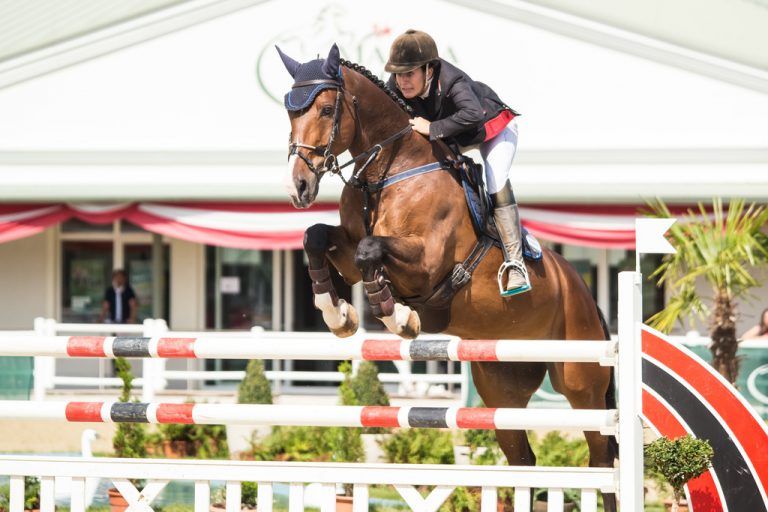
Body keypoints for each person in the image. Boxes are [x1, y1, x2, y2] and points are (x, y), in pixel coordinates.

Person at [384, 29, 529, 297]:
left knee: (495, 178)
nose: (401, 81)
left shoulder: (453, 81)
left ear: (429, 70)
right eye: (398, 74)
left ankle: (515, 261)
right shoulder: (395, 86)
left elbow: (473, 114)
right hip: (454, 134)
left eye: (409, 74)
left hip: (492, 129)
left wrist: (433, 128)